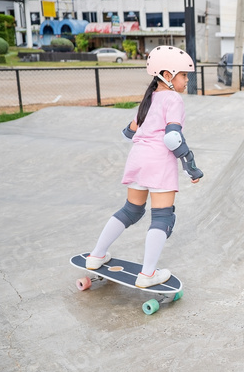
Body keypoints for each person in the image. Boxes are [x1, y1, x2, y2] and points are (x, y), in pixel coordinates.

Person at [85, 45, 203, 287]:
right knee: (162, 216)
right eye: (183, 75)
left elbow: (129, 132)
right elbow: (172, 138)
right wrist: (191, 166)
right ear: (167, 76)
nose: (186, 80)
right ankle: (147, 274)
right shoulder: (173, 99)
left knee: (131, 210)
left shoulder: (149, 99)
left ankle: (96, 256)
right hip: (159, 162)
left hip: (137, 159)